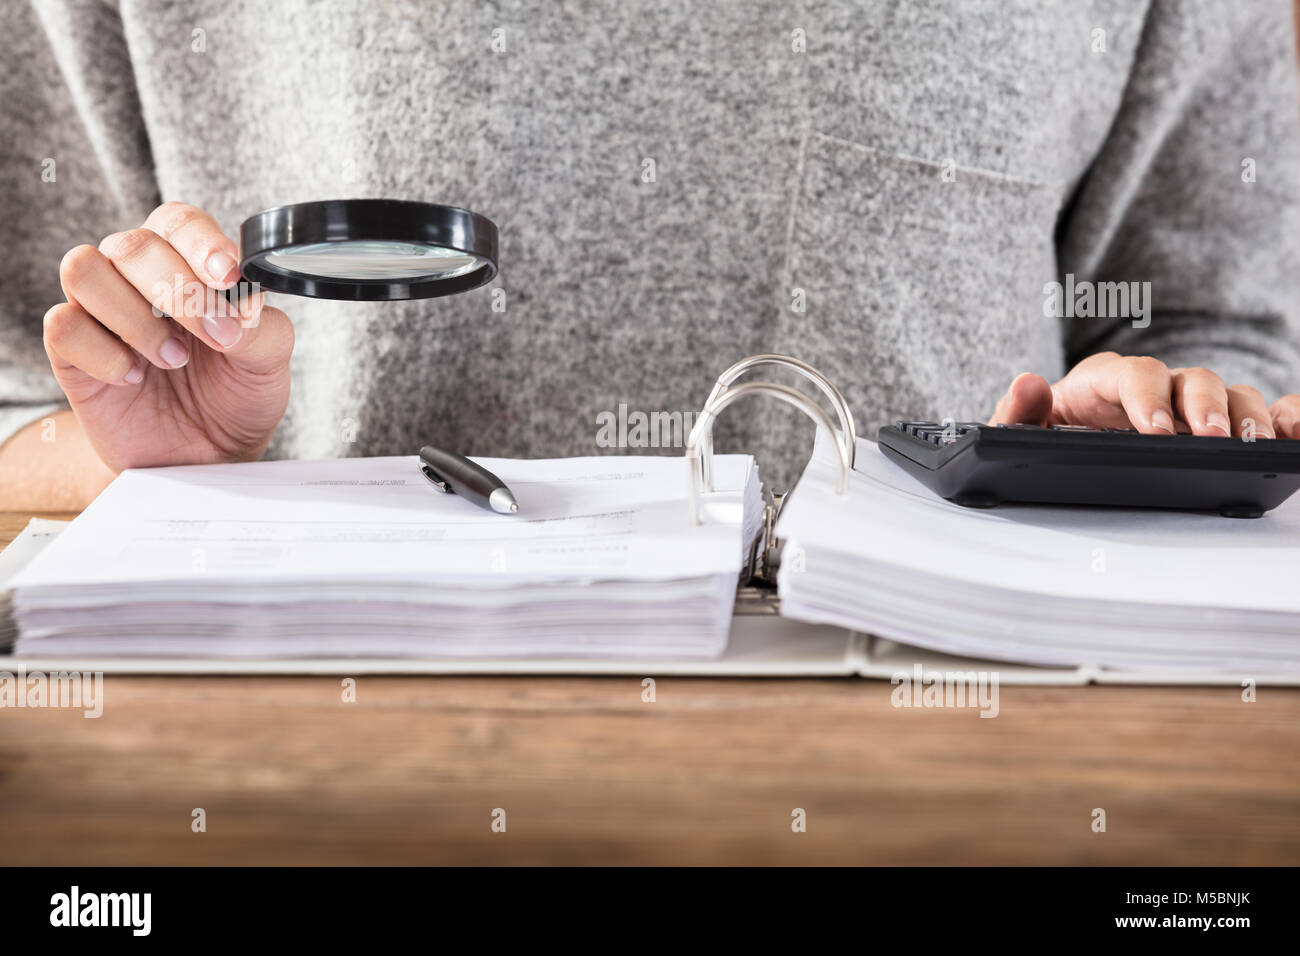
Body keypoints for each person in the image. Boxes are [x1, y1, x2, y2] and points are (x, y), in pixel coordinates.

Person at [3, 0, 1299, 510]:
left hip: (969, 754)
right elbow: (20, 401)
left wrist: (1144, 417)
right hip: (322, 758)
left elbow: (1219, 317)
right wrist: (124, 458)